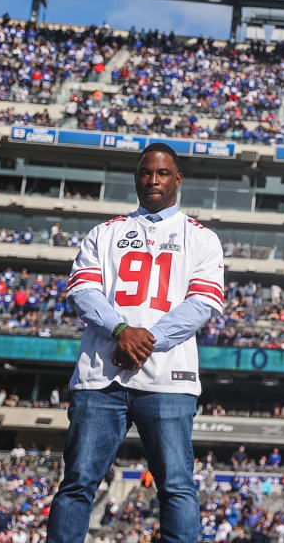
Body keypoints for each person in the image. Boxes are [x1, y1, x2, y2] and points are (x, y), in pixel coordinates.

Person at [48, 142, 225, 543]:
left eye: (162, 173)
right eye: (146, 172)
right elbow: (83, 292)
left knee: (177, 486)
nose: (153, 180)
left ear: (178, 179)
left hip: (168, 378)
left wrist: (146, 341)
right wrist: (120, 331)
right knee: (76, 483)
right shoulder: (104, 233)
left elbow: (202, 304)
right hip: (101, 378)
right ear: (136, 177)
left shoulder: (202, 238)